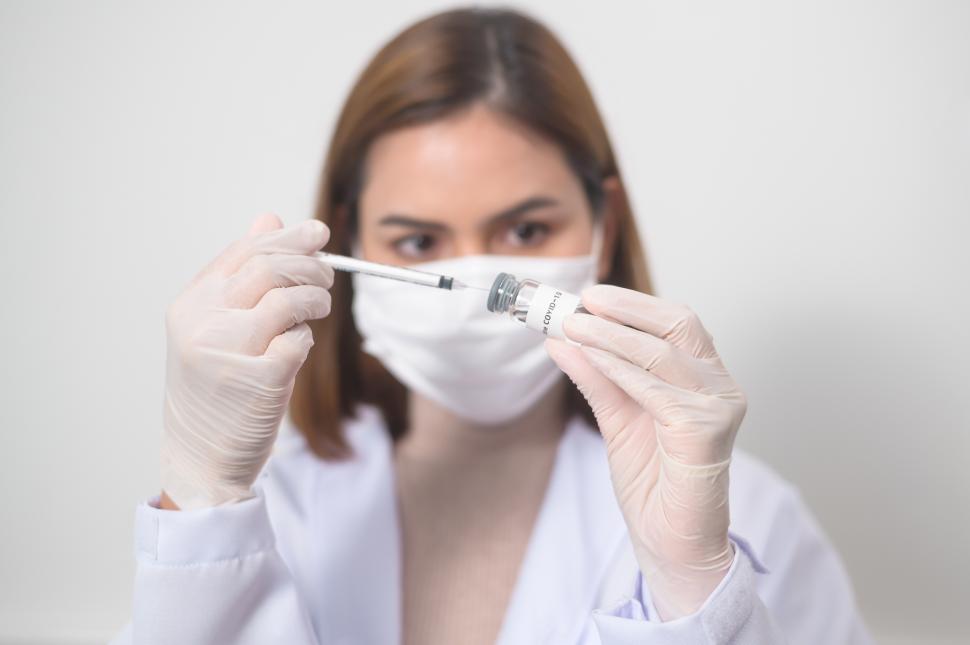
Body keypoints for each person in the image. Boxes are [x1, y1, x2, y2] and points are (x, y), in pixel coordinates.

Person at [111, 7, 873, 645]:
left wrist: (692, 584)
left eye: (526, 231)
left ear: (602, 228)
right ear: (347, 240)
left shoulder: (746, 517)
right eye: (417, 241)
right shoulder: (279, 504)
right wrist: (200, 502)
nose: (475, 281)